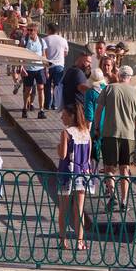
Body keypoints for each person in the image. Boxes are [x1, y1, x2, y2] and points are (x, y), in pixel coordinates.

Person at [93, 65, 136, 213]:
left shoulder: (109, 88)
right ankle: (124, 201)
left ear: (119, 75)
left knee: (109, 167)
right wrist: (132, 127)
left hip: (110, 134)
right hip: (128, 135)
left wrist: (97, 128)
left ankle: (112, 197)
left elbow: (98, 111)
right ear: (130, 77)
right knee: (125, 169)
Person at [56, 102, 95, 251]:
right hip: (83, 173)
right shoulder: (86, 132)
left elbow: (63, 154)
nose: (61, 117)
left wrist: (57, 147)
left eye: (64, 115)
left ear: (71, 116)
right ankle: (80, 241)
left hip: (67, 172)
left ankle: (63, 240)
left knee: (64, 209)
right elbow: (89, 155)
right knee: (79, 209)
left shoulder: (66, 133)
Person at [21, 23, 48, 119]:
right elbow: (20, 54)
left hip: (39, 68)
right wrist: (21, 68)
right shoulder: (25, 41)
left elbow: (44, 55)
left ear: (36, 31)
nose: (30, 32)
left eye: (32, 30)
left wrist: (46, 69)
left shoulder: (41, 41)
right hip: (28, 68)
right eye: (28, 30)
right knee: (28, 90)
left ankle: (41, 110)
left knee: (41, 88)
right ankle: (25, 108)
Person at [42, 23, 70, 110]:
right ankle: (56, 104)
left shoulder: (44, 40)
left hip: (48, 65)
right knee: (57, 86)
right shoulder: (63, 40)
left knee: (47, 85)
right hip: (59, 65)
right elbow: (66, 53)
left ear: (49, 30)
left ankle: (47, 104)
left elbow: (42, 53)